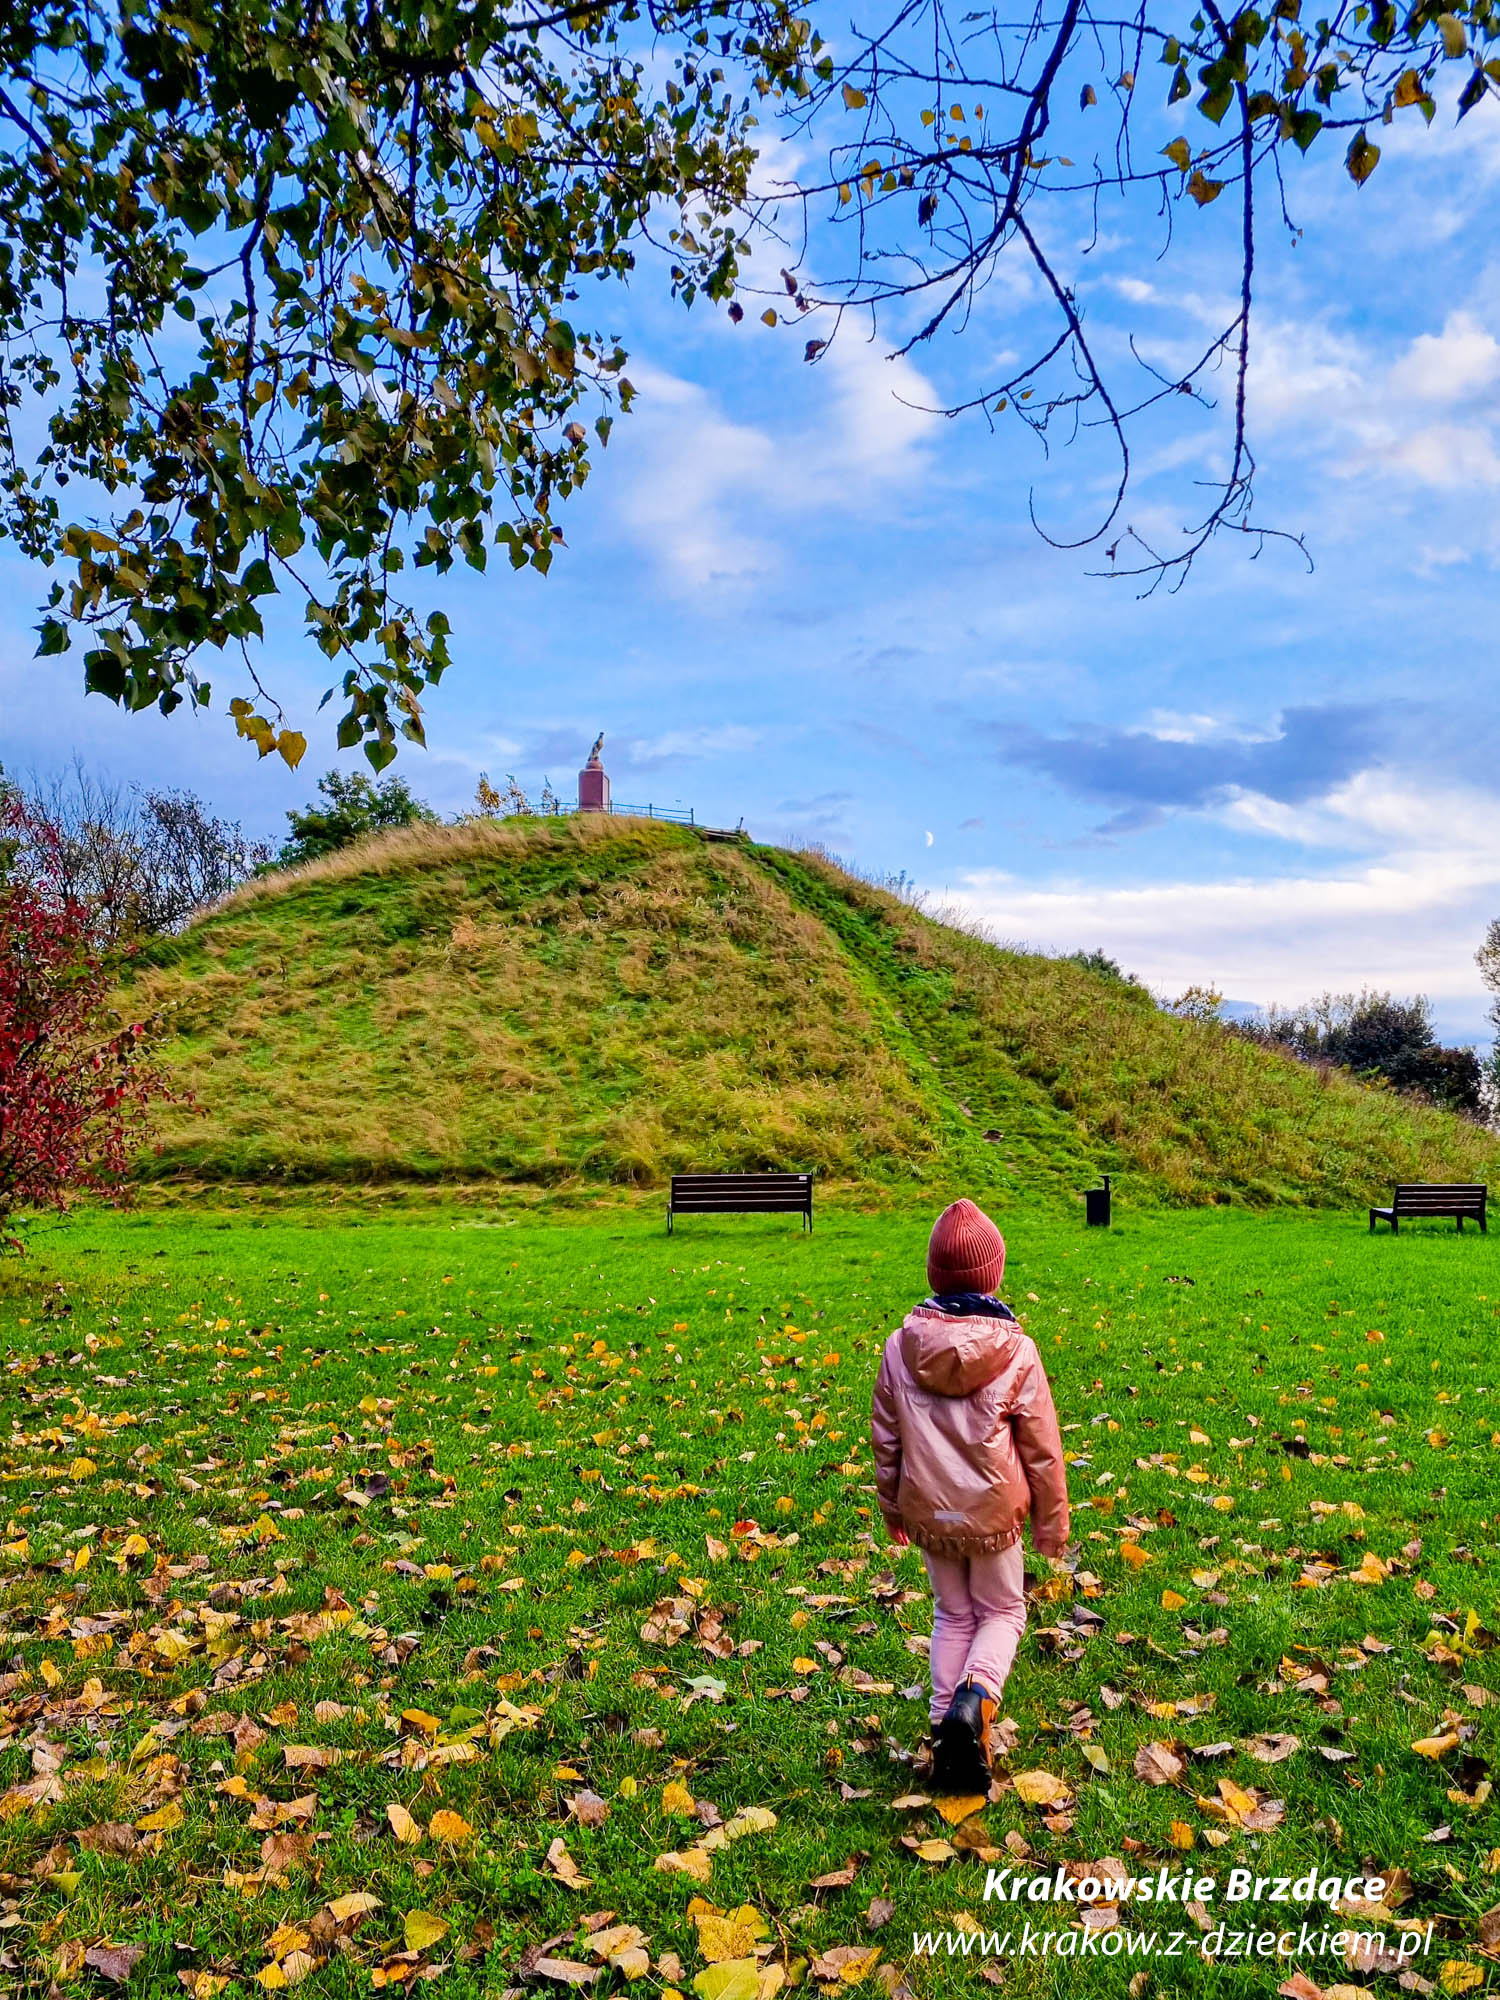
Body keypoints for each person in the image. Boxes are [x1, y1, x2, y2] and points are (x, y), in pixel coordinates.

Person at [869, 1198, 1069, 1793]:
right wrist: (1051, 1524)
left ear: (934, 1275)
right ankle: (976, 1698)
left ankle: (943, 1731)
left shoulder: (900, 1347)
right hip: (993, 1515)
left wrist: (893, 1505)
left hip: (929, 1511)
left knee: (952, 1613)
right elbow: (1041, 1448)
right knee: (1003, 1611)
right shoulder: (1016, 1351)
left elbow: (886, 1436)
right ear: (994, 1275)